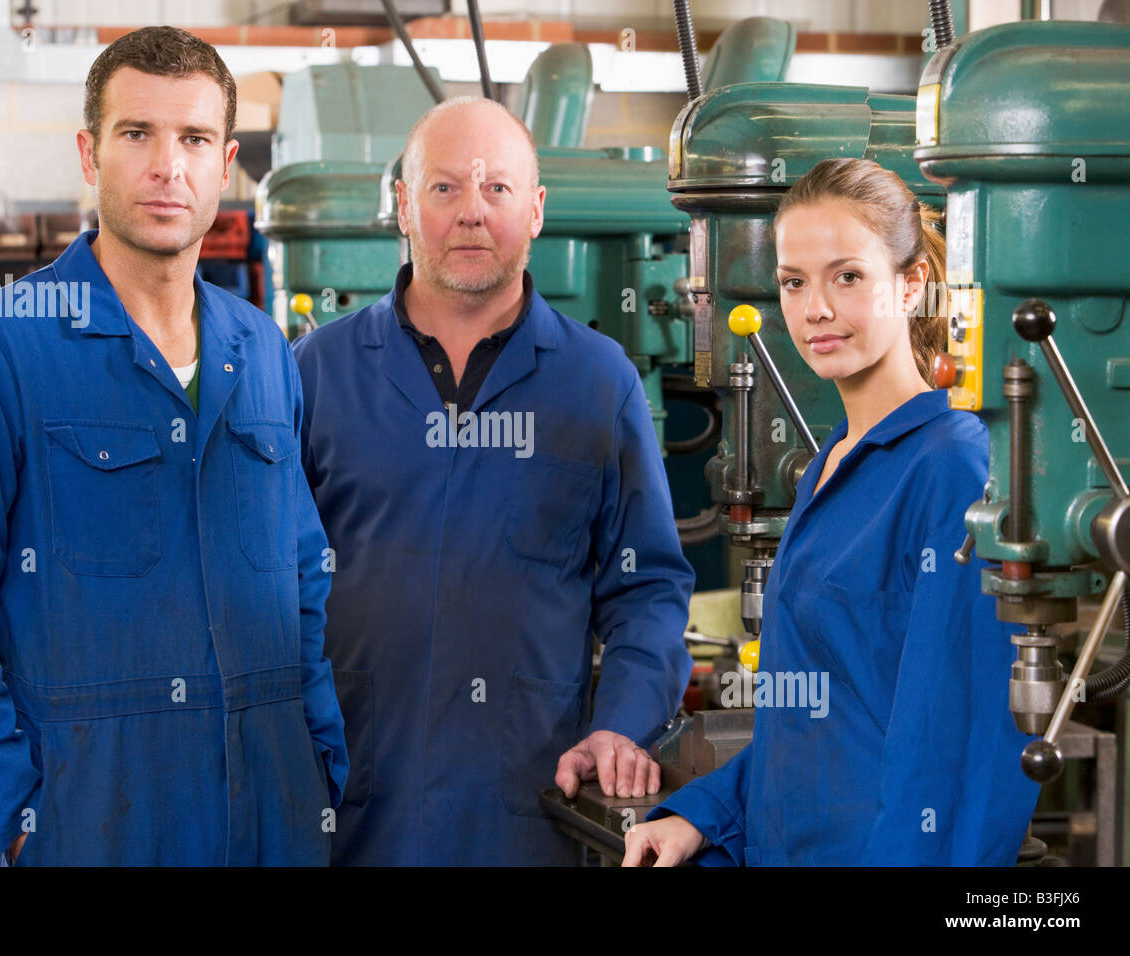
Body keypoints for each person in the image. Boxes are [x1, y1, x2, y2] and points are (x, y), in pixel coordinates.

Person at [0, 26, 347, 866]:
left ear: (226, 159)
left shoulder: (265, 349)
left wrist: (323, 764)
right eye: (138, 134)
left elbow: (304, 579)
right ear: (90, 154)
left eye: (195, 138)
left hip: (276, 814)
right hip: (95, 828)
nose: (170, 167)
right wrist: (14, 819)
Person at [292, 97, 695, 865]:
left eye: (498, 189)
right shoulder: (318, 372)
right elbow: (265, 589)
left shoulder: (596, 380)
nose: (472, 214)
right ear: (403, 206)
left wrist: (621, 723)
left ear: (537, 210)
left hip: (527, 813)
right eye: (445, 188)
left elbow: (645, 588)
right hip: (347, 810)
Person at [622, 157, 1041, 866]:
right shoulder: (830, 464)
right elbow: (818, 723)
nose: (815, 308)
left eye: (847, 277)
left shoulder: (954, 466)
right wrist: (704, 815)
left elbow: (965, 748)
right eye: (794, 282)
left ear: (910, 285)